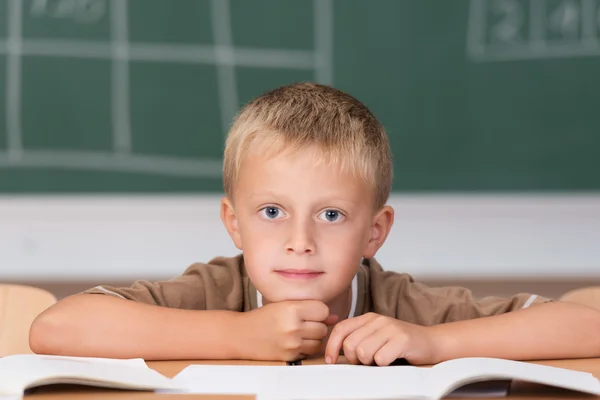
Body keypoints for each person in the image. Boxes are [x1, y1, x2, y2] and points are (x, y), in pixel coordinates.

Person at [29, 83, 600, 366]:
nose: (299, 243)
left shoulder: (397, 303)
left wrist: (434, 341)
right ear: (234, 222)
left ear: (374, 232)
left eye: (331, 216)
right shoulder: (216, 292)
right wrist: (237, 336)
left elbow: (585, 328)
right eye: (272, 212)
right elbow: (57, 328)